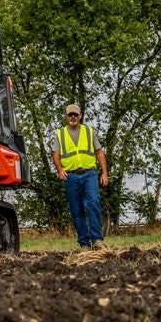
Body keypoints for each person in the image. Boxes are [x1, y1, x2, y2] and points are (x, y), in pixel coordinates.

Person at [50, 103, 109, 249]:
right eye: (70, 114)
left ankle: (97, 240)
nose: (73, 117)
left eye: (75, 114)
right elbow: (55, 155)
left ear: (80, 116)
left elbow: (99, 152)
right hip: (71, 177)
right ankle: (84, 243)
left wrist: (104, 173)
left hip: (89, 174)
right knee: (76, 210)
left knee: (93, 203)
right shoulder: (60, 134)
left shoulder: (89, 131)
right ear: (66, 116)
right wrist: (59, 169)